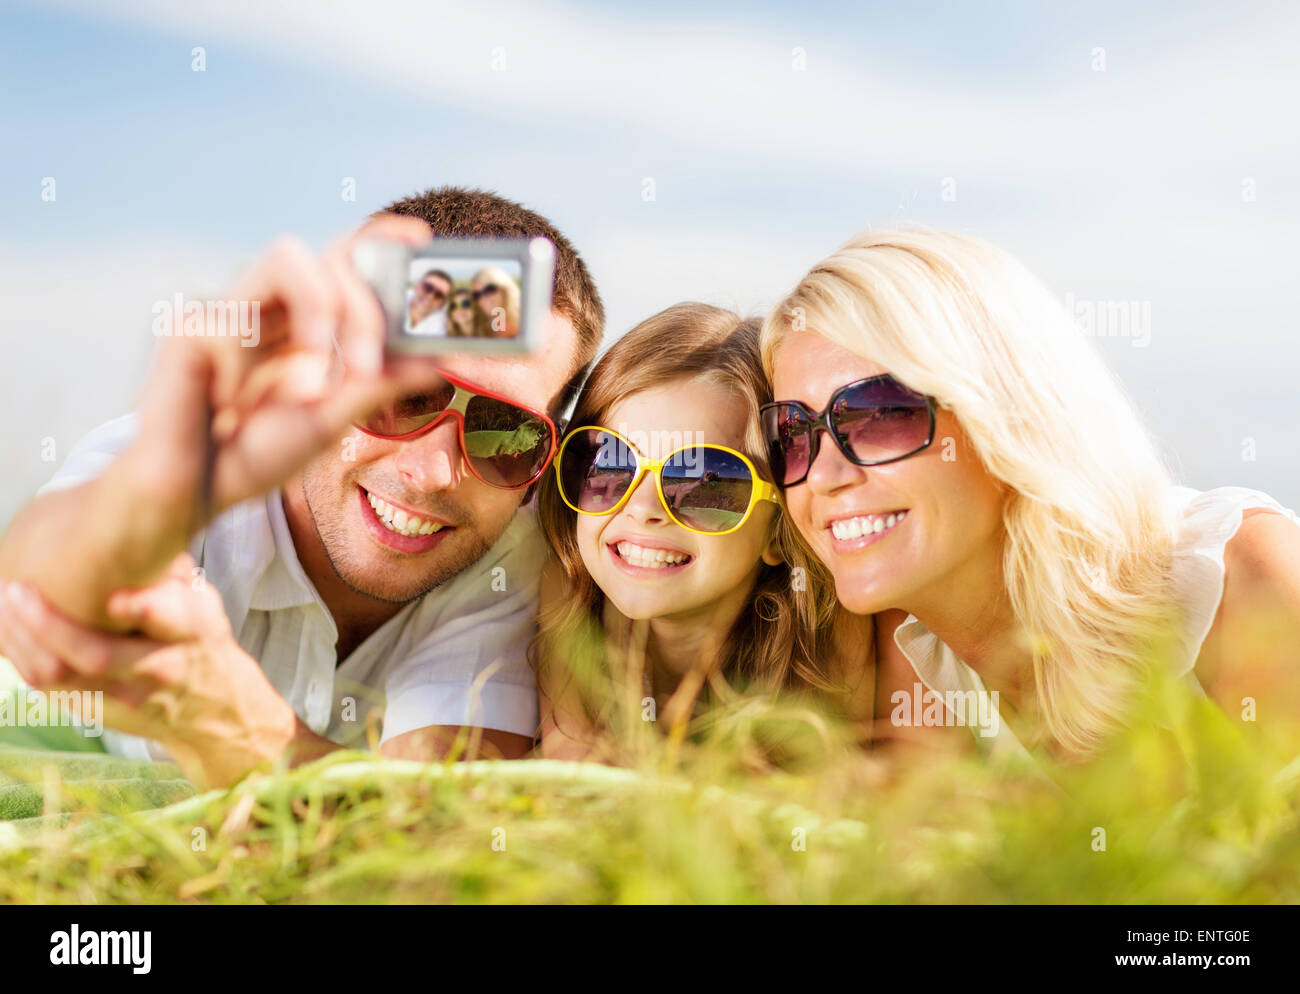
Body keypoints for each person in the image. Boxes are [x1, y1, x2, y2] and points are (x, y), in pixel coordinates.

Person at [0, 187, 605, 788]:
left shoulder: (508, 557)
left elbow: (426, 819)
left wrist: (238, 727)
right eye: (403, 397)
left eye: (506, 435)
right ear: (322, 363)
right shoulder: (176, 459)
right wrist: (159, 495)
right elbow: (31, 587)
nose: (433, 472)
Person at [759, 226, 1300, 764]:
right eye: (792, 432)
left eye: (878, 414)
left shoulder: (1243, 578)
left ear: (1003, 414)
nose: (825, 476)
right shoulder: (912, 643)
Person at [533, 303, 871, 763]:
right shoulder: (563, 596)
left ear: (778, 530)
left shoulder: (833, 623)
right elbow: (574, 776)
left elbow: (835, 792)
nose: (645, 507)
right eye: (610, 462)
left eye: (707, 480)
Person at [471, 265, 521, 338]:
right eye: (477, 295)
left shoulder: (530, 319)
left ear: (504, 290)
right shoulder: (486, 328)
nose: (483, 298)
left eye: (489, 290)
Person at [407, 268, 452, 336]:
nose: (430, 297)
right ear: (416, 286)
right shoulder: (394, 300)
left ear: (442, 303)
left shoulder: (441, 325)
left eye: (439, 295)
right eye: (428, 288)